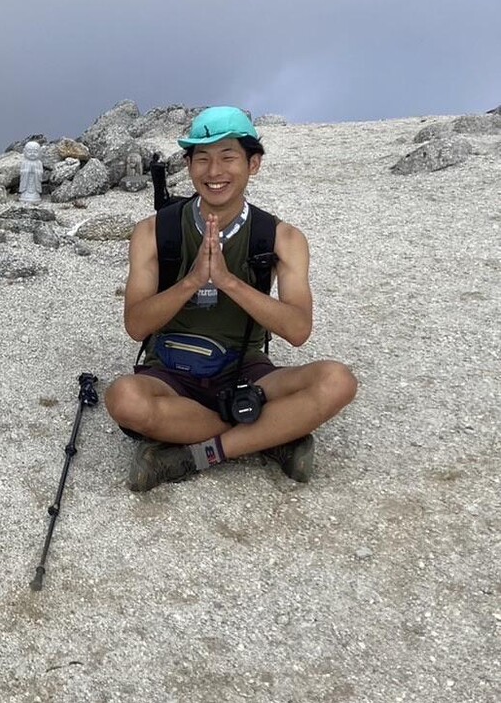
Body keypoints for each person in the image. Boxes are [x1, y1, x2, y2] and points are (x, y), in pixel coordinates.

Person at [104, 106, 357, 489]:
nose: (214, 172)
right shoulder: (153, 232)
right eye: (201, 159)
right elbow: (137, 325)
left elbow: (298, 330)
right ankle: (269, 434)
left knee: (338, 381)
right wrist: (191, 282)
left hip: (247, 372)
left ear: (253, 164)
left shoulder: (281, 238)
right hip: (170, 373)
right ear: (188, 166)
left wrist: (228, 281)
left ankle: (196, 454)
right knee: (124, 398)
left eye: (228, 157)